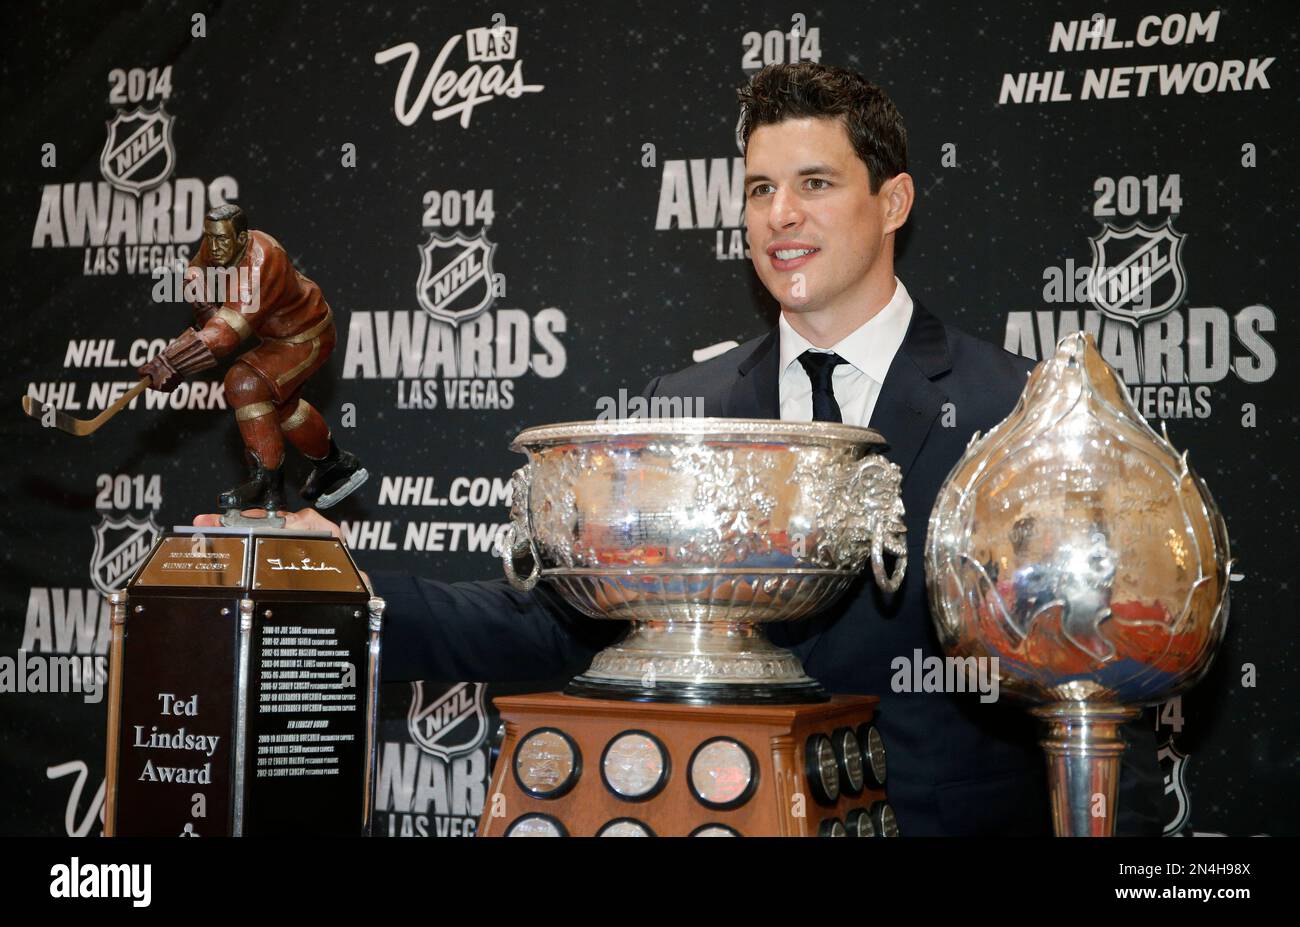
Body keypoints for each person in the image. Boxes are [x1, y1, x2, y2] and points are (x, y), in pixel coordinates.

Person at [197, 63, 1162, 835]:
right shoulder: (684, 407)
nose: (780, 215)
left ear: (895, 199)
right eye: (760, 190)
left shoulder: (1014, 410)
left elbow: (1088, 655)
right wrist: (331, 584)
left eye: (815, 184)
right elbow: (559, 626)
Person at [142, 204, 367, 514]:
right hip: (277, 336)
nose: (214, 247)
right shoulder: (219, 244)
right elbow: (197, 269)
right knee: (282, 408)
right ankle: (337, 466)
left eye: (222, 240)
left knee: (245, 383)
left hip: (306, 336)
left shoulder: (260, 261)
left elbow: (225, 335)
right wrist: (199, 291)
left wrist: (172, 362)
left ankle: (267, 486)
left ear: (242, 237)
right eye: (209, 238)